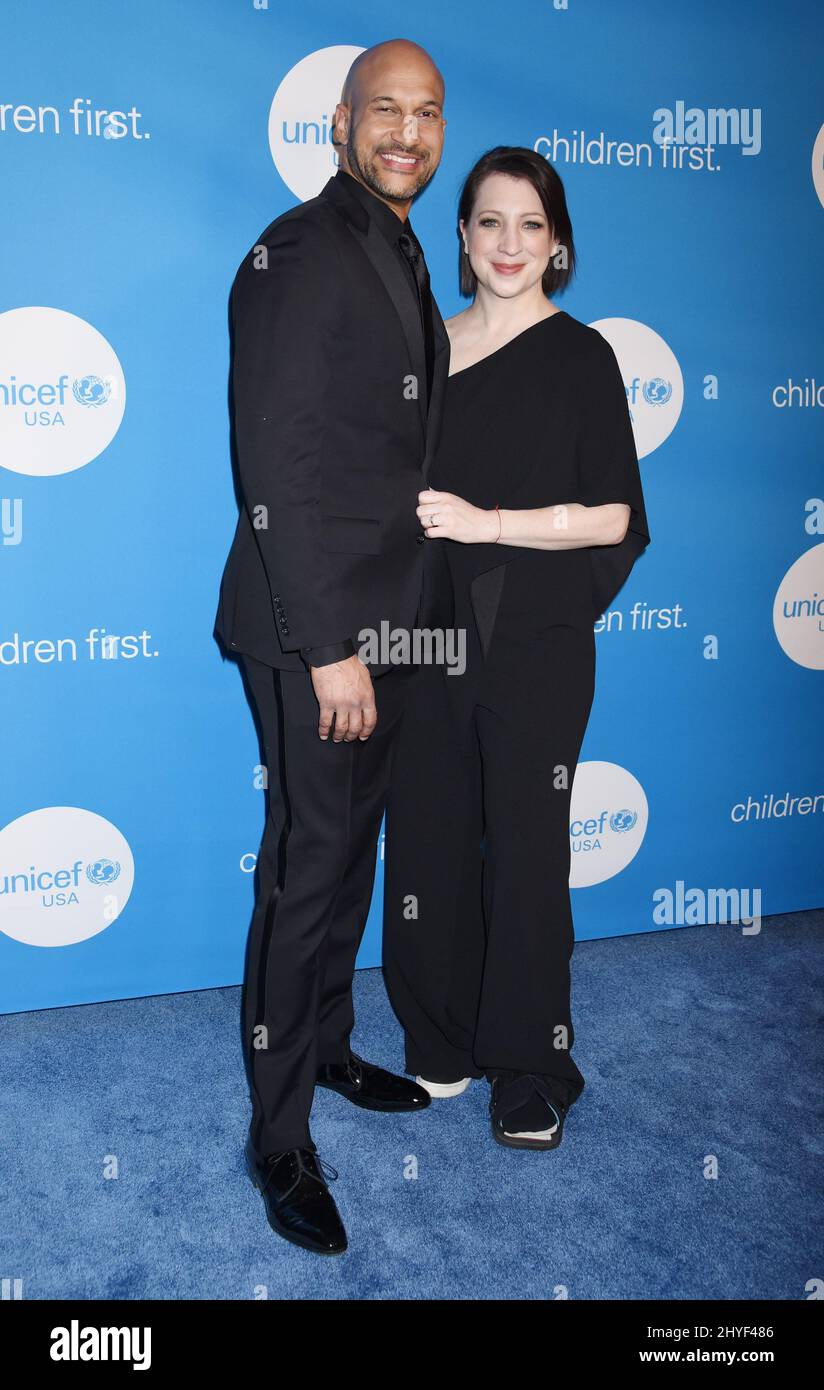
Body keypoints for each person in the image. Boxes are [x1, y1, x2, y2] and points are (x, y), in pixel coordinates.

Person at [214, 39, 451, 1254]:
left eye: (425, 115)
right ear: (340, 124)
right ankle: (277, 1134)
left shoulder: (397, 247)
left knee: (348, 855)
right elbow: (279, 464)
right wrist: (328, 651)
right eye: (383, 112)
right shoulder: (301, 254)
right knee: (308, 871)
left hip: (390, 616)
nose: (404, 133)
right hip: (315, 626)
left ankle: (325, 1045)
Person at [382, 146, 651, 1152]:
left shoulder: (581, 357)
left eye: (529, 224)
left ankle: (531, 1063)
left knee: (527, 854)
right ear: (458, 238)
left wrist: (487, 521)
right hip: (429, 634)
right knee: (430, 836)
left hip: (534, 636)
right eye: (487, 222)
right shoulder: (426, 350)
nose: (507, 243)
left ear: (558, 243)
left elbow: (612, 515)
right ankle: (438, 1035)